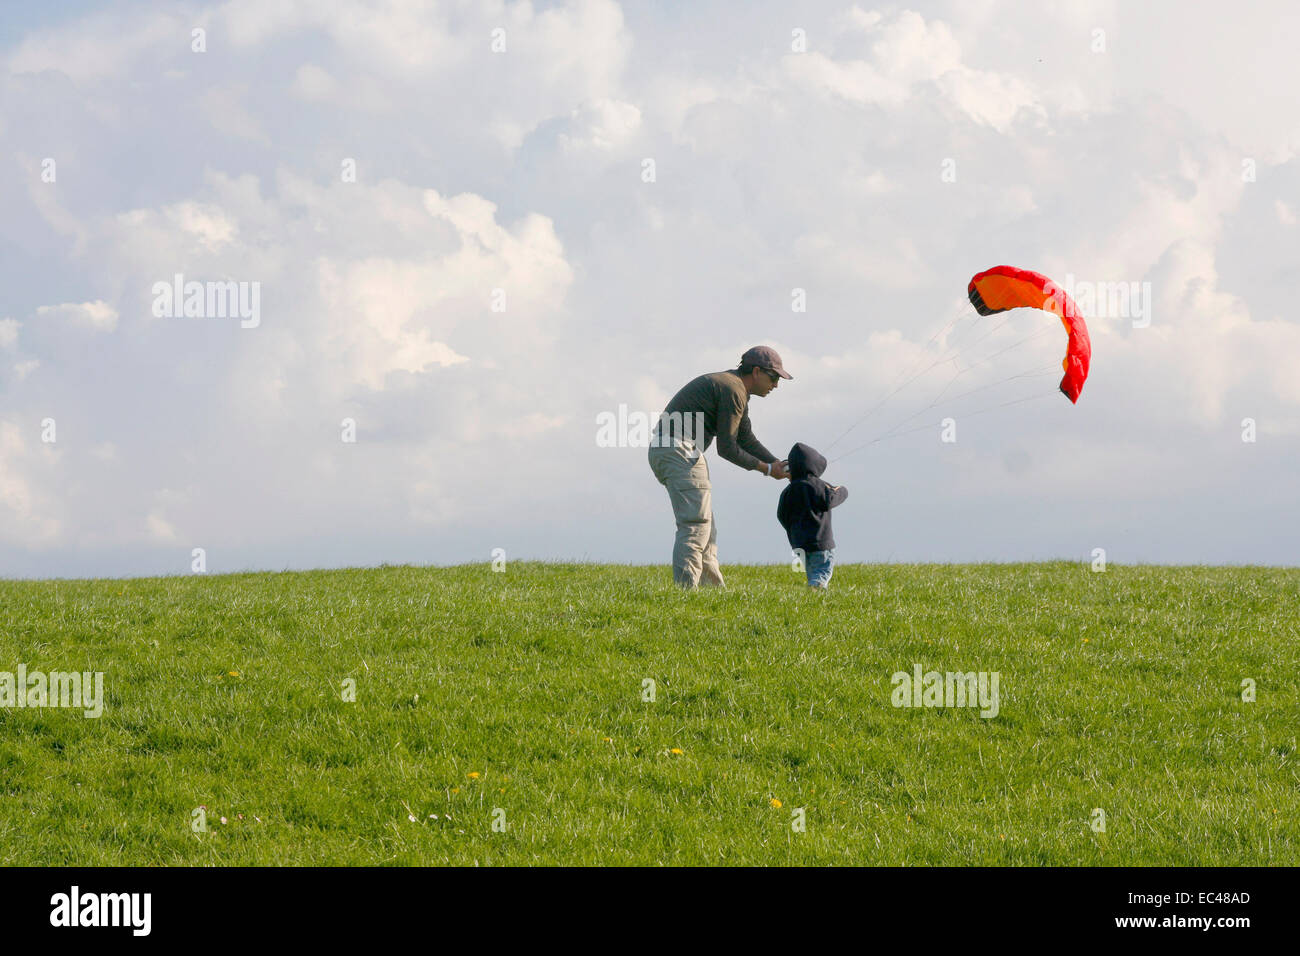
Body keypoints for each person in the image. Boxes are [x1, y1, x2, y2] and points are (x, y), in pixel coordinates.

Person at [648, 346, 792, 588]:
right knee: (695, 524)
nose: (776, 384)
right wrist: (767, 470)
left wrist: (777, 464)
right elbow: (727, 448)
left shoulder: (733, 387)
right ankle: (685, 593)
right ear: (756, 372)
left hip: (667, 449)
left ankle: (712, 593)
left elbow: (745, 439)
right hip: (681, 450)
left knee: (706, 528)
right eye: (774, 377)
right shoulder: (733, 389)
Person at [776, 442, 848, 590]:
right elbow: (831, 497)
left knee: (812, 572)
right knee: (822, 571)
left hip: (799, 544)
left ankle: (817, 598)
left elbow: (781, 515)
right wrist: (844, 490)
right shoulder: (817, 485)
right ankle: (815, 589)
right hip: (821, 543)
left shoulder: (788, 491)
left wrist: (793, 530)